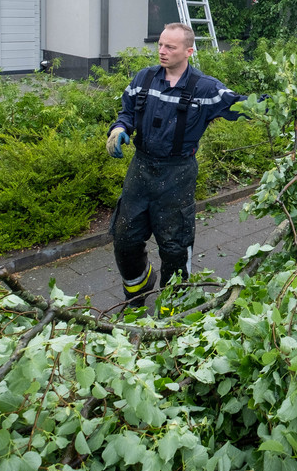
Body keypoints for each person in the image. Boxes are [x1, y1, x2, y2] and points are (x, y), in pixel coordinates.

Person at [106, 23, 251, 304]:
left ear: (188, 51)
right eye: (160, 44)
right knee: (125, 239)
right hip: (141, 170)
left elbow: (244, 106)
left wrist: (283, 103)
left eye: (169, 47)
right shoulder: (143, 80)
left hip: (177, 174)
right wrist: (119, 127)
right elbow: (127, 111)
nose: (161, 51)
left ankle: (172, 307)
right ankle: (136, 294)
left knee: (174, 247)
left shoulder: (206, 89)